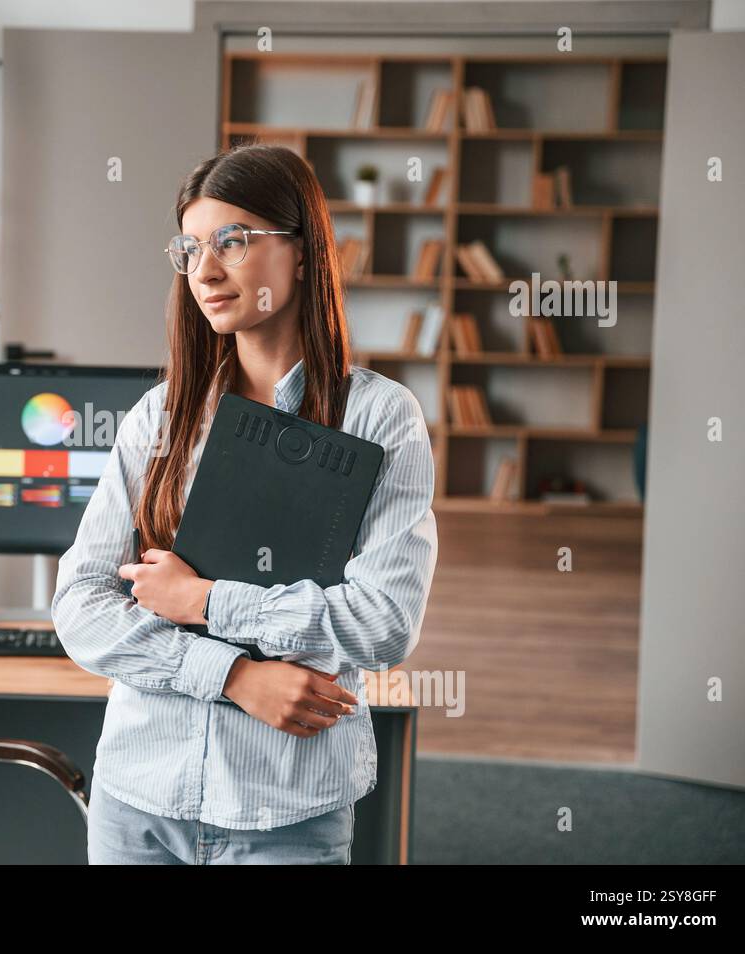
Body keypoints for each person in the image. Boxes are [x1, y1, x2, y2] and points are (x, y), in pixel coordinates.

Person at [51, 144, 438, 864]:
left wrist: (202, 601)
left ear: (302, 253)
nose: (205, 271)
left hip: (285, 809)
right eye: (190, 248)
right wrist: (232, 676)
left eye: (232, 241)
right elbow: (80, 604)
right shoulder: (159, 417)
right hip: (138, 801)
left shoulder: (380, 420)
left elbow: (385, 622)